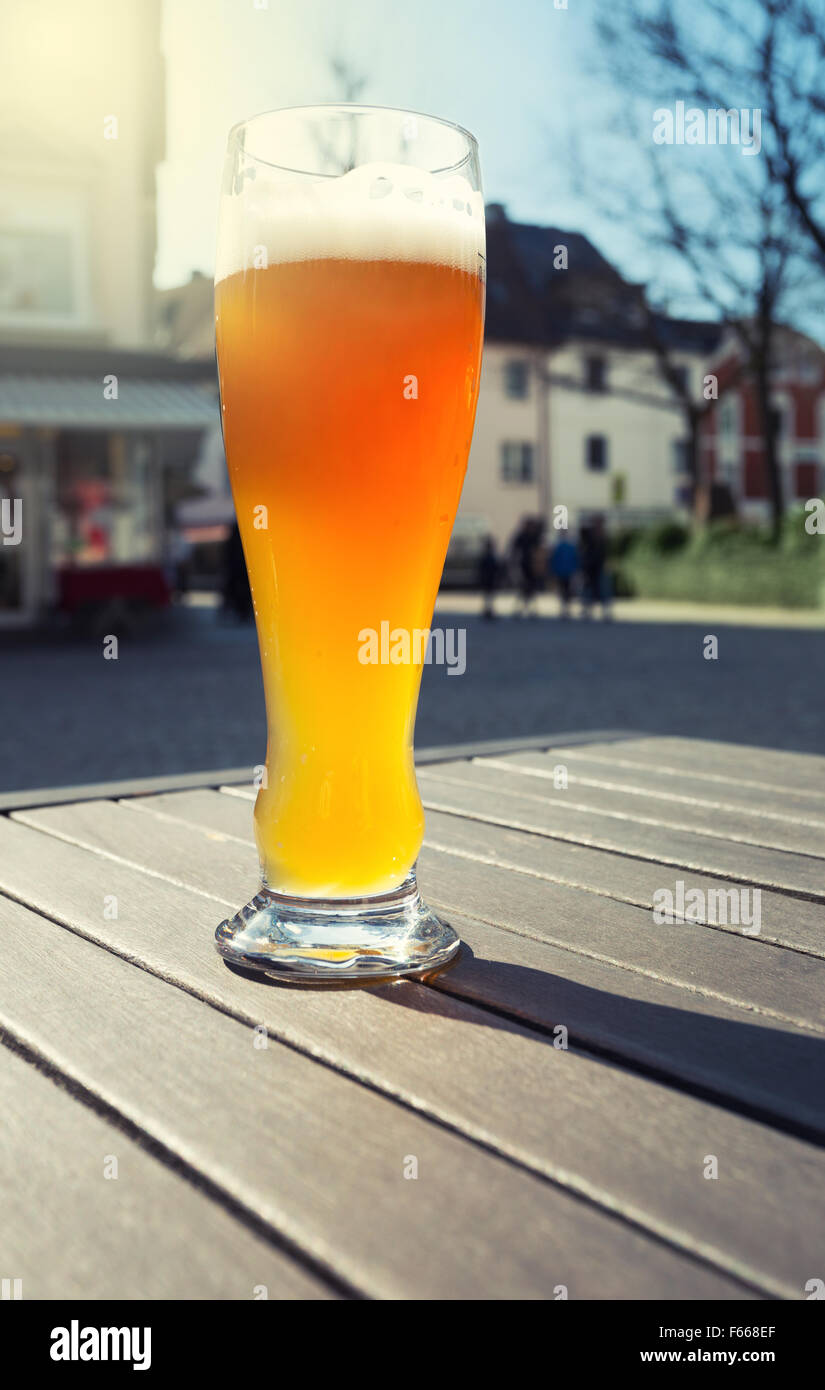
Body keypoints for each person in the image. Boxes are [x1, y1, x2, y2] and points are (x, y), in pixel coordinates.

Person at [579, 515, 611, 619]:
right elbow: (583, 549)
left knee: (604, 588)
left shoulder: (604, 537)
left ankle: (605, 611)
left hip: (600, 566)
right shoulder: (587, 535)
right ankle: (587, 609)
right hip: (589, 567)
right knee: (588, 588)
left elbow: (606, 553)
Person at [549, 530, 579, 618]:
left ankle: (567, 608)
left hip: (568, 572)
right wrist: (553, 570)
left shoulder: (571, 547)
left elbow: (575, 559)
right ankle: (564, 608)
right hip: (560, 572)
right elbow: (554, 560)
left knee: (568, 591)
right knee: (563, 591)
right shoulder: (559, 546)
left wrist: (575, 571)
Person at [478, 535, 500, 619]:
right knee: (488, 596)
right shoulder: (488, 556)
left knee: (489, 596)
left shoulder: (490, 556)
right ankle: (488, 611)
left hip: (490, 578)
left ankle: (488, 611)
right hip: (489, 578)